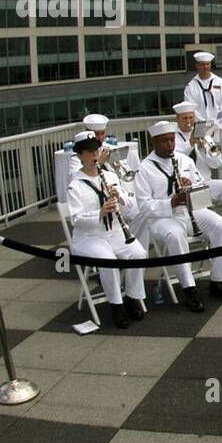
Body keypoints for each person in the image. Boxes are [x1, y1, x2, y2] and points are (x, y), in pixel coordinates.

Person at [133, 120, 222, 312]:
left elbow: (202, 190)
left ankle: (219, 280)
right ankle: (189, 288)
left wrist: (190, 186)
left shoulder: (185, 160)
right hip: (162, 218)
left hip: (191, 210)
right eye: (164, 141)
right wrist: (170, 203)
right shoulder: (145, 169)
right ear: (154, 143)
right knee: (175, 235)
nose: (170, 145)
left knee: (221, 226)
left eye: (172, 140)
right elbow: (144, 206)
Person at [66, 130, 147, 329]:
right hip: (89, 237)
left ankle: (132, 297)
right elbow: (76, 220)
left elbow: (130, 209)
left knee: (139, 253)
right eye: (88, 152)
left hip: (115, 231)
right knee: (108, 260)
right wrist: (100, 213)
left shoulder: (110, 175)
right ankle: (116, 305)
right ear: (80, 156)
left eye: (96, 150)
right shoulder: (75, 185)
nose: (94, 155)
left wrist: (120, 198)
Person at [173, 101, 222, 234]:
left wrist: (204, 151)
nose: (188, 121)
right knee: (202, 206)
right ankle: (210, 231)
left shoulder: (204, 136)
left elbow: (217, 164)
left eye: (191, 118)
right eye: (185, 118)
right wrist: (190, 144)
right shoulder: (173, 138)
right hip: (186, 188)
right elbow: (176, 159)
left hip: (205, 182)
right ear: (178, 119)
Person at [182, 51, 222, 181]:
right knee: (203, 164)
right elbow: (191, 109)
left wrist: (217, 123)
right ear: (197, 66)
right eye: (202, 65)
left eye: (207, 64)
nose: (205, 67)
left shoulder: (220, 82)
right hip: (201, 130)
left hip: (220, 128)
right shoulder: (191, 86)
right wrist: (205, 123)